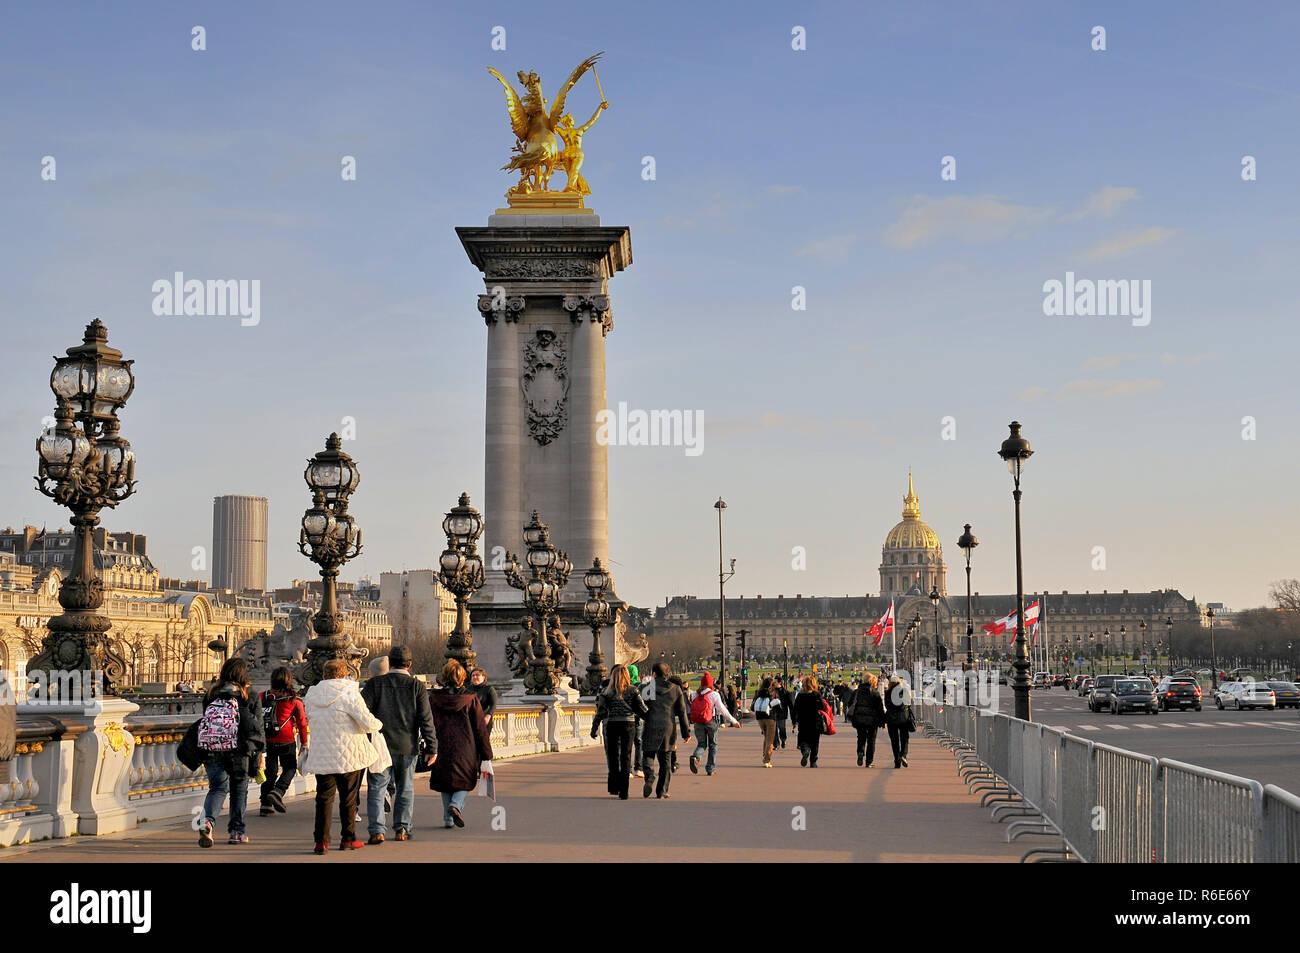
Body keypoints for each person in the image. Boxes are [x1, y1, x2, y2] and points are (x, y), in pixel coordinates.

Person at [303, 659, 384, 854]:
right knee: (348, 798)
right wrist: (379, 725)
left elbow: (310, 718)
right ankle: (348, 839)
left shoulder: (312, 695)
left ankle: (321, 841)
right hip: (349, 753)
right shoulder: (349, 693)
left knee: (323, 798)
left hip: (322, 754)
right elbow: (367, 722)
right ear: (343, 674)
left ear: (324, 674)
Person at [361, 645, 435, 844]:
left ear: (390, 663)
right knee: (405, 788)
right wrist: (431, 747)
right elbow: (425, 719)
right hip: (407, 745)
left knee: (377, 788)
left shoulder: (374, 684)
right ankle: (402, 828)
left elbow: (361, 714)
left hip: (379, 746)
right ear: (410, 664)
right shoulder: (416, 686)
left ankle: (377, 830)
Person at [196, 658, 265, 847]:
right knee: (238, 790)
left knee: (217, 788)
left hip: (212, 749)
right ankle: (237, 832)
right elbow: (257, 729)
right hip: (238, 751)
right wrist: (260, 756)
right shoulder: (249, 694)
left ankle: (208, 822)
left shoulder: (211, 693)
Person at [428, 659, 493, 828]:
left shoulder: (434, 699)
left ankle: (448, 819)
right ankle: (455, 806)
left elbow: (427, 723)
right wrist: (486, 753)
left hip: (441, 744)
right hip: (466, 746)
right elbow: (480, 727)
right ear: (463, 678)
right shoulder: (470, 699)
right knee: (465, 779)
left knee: (445, 781)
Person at [591, 663, 650, 799]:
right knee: (626, 756)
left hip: (612, 724)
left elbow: (600, 712)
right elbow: (643, 710)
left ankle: (614, 787)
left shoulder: (606, 692)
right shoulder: (633, 690)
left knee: (612, 757)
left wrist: (594, 728)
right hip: (628, 725)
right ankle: (624, 791)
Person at [259, 666, 309, 816]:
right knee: (290, 768)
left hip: (267, 740)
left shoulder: (263, 696)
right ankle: (278, 791)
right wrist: (304, 742)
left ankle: (265, 806)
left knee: (270, 772)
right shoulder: (294, 700)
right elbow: (302, 722)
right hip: (286, 739)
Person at [639, 662, 690, 798]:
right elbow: (682, 711)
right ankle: (662, 790)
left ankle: (649, 777)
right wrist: (686, 732)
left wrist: (645, 716)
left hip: (651, 723)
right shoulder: (675, 689)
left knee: (648, 754)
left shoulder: (647, 687)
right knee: (665, 761)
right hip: (668, 726)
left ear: (654, 674)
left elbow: (640, 706)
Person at [688, 672, 740, 777]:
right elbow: (722, 710)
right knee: (713, 745)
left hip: (698, 722)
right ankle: (710, 768)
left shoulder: (695, 694)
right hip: (710, 721)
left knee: (702, 744)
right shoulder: (714, 694)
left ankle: (696, 756)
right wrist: (733, 721)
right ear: (711, 684)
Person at [849, 672, 886, 768]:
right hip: (872, 720)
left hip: (859, 719)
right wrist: (883, 721)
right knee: (871, 740)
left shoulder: (856, 692)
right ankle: (869, 761)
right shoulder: (875, 693)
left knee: (861, 737)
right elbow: (880, 709)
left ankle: (860, 752)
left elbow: (850, 704)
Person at [792, 675, 826, 768]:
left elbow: (795, 709)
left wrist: (794, 721)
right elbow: (823, 707)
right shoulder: (816, 695)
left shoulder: (800, 695)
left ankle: (805, 750)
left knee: (803, 739)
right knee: (815, 742)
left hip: (803, 721)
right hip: (815, 721)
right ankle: (813, 761)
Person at [884, 674, 914, 768]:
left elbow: (887, 705)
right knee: (904, 738)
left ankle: (897, 761)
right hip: (903, 718)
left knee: (894, 740)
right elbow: (908, 703)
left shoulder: (887, 692)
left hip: (891, 719)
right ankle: (903, 755)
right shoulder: (904, 691)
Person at [752, 677, 781, 767]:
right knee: (770, 739)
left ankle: (765, 754)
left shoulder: (758, 693)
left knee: (766, 736)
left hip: (760, 718)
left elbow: (753, 707)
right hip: (770, 718)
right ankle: (767, 759)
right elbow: (777, 707)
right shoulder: (773, 693)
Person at [628, 663, 645, 778]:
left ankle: (627, 769)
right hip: (639, 718)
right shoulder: (643, 686)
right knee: (639, 744)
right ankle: (638, 768)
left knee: (627, 744)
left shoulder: (623, 686)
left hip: (627, 718)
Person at [773, 677, 792, 750]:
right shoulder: (772, 691)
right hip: (774, 712)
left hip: (782, 713)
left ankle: (783, 739)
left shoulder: (785, 692)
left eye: (775, 682)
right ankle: (776, 744)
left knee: (782, 728)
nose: (774, 683)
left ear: (779, 683)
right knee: (774, 729)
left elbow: (790, 704)